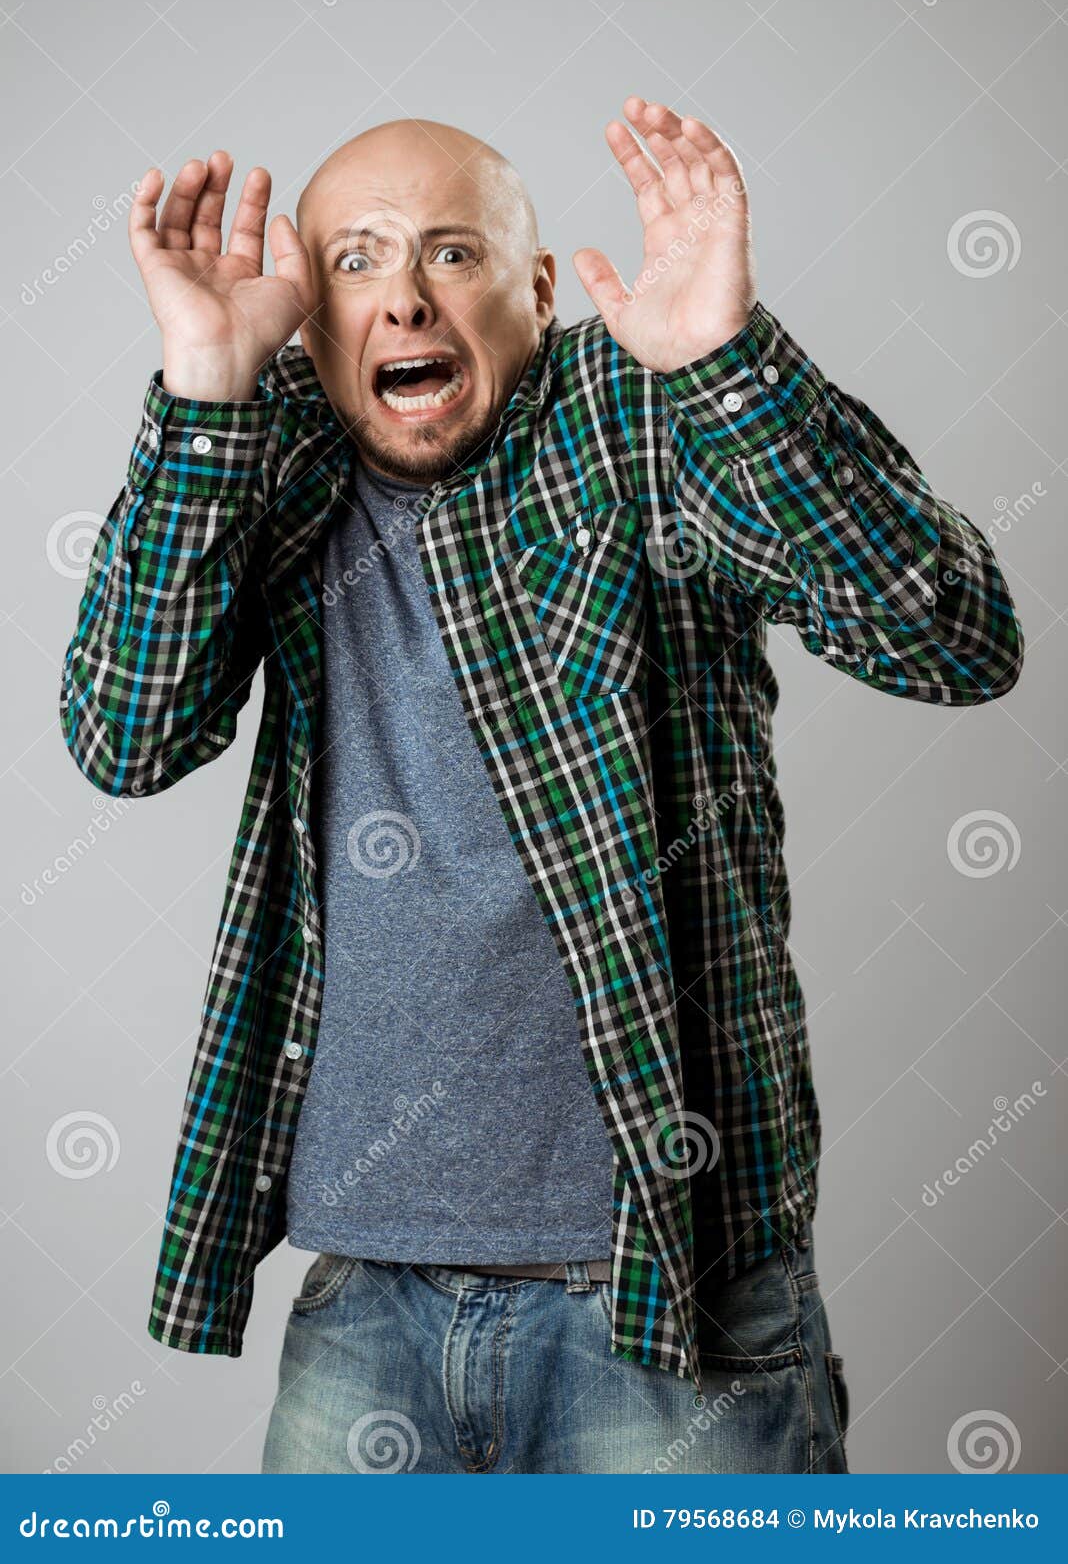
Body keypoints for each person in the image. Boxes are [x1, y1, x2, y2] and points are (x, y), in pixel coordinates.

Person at [60, 102, 1023, 1474]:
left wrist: (729, 369)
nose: (405, 296)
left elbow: (956, 640)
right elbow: (125, 736)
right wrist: (206, 384)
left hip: (665, 1292)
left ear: (542, 290)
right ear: (312, 317)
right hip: (368, 1293)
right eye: (357, 261)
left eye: (452, 253)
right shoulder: (271, 455)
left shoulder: (643, 416)